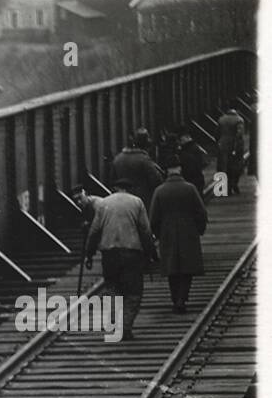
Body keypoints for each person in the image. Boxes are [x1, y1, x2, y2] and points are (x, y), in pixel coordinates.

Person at [84, 177, 157, 341]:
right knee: (133, 292)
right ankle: (125, 327)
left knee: (112, 289)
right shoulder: (137, 202)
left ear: (114, 188)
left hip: (109, 255)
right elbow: (145, 230)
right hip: (132, 253)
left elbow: (94, 231)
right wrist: (151, 252)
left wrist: (89, 254)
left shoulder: (103, 204)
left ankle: (115, 323)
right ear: (128, 189)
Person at [149, 158, 208, 314]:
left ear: (167, 171)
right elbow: (201, 212)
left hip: (167, 233)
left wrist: (157, 233)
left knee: (171, 268)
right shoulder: (190, 189)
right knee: (187, 268)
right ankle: (183, 297)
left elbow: (154, 216)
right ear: (180, 169)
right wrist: (199, 229)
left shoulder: (160, 191)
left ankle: (175, 298)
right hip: (188, 231)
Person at [111, 132, 164, 203]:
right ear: (145, 146)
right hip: (143, 200)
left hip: (121, 200)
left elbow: (112, 180)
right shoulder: (144, 160)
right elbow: (157, 181)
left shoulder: (118, 158)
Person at [216, 101, 247, 194]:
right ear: (237, 110)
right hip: (235, 145)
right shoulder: (239, 119)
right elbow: (240, 133)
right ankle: (234, 185)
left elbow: (217, 133)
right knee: (236, 165)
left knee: (223, 166)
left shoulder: (221, 119)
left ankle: (224, 189)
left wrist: (218, 142)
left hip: (223, 145)